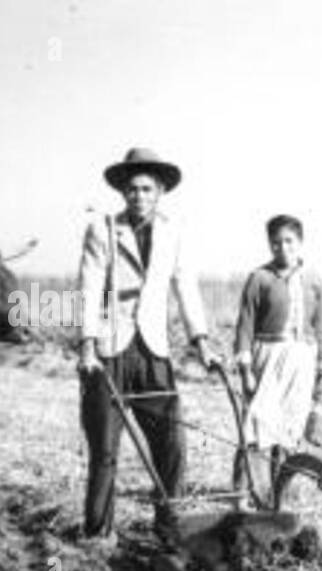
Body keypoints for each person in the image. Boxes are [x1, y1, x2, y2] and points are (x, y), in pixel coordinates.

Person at [76, 147, 218, 547]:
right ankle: (98, 531)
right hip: (111, 351)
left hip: (154, 351)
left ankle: (169, 525)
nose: (138, 196)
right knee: (105, 446)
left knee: (171, 440)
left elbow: (185, 286)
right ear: (123, 192)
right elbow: (87, 289)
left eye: (147, 189)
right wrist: (87, 346)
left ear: (159, 193)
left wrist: (201, 343)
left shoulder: (173, 232)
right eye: (132, 189)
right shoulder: (103, 229)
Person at [231, 214, 322, 508]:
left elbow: (321, 325)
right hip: (268, 357)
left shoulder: (313, 279)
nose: (283, 248)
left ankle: (277, 497)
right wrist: (246, 368)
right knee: (256, 425)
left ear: (300, 243)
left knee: (288, 430)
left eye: (289, 241)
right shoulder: (259, 278)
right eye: (276, 243)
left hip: (301, 358)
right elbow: (245, 324)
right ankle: (241, 495)